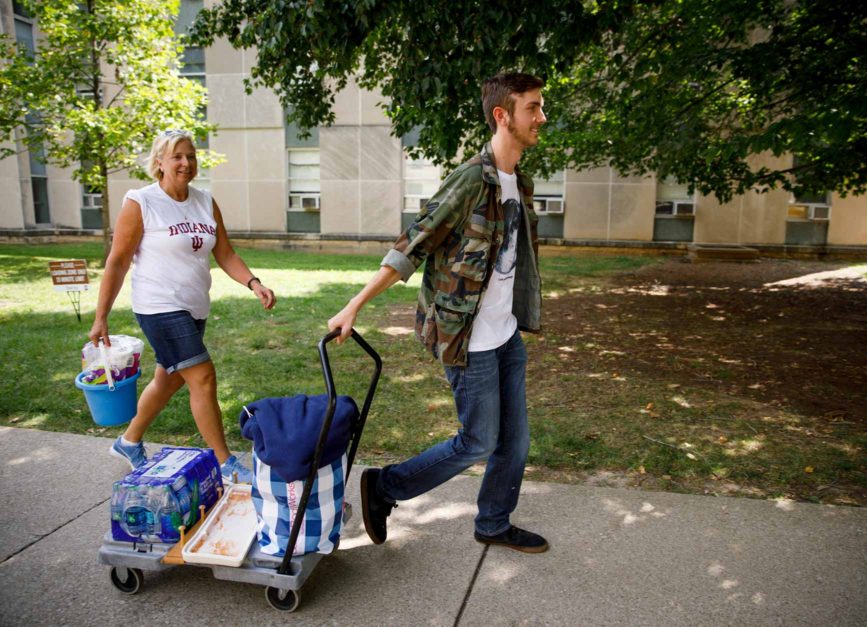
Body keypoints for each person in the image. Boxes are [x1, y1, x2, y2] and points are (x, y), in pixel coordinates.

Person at [328, 72, 549, 553]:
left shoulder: (520, 183)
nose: (541, 117)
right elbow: (414, 244)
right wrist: (354, 305)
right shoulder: (472, 180)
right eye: (532, 108)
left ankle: (492, 522)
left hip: (505, 335)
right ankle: (385, 487)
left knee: (515, 442)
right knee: (477, 441)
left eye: (540, 106)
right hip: (466, 339)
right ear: (502, 115)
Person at [89, 129, 276, 484]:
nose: (186, 163)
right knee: (202, 376)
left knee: (169, 380)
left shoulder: (205, 201)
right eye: (177, 156)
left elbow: (225, 252)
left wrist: (254, 283)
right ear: (159, 162)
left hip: (193, 309)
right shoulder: (141, 201)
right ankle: (226, 462)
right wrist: (101, 316)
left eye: (190, 156)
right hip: (158, 306)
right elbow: (117, 261)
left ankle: (129, 441)